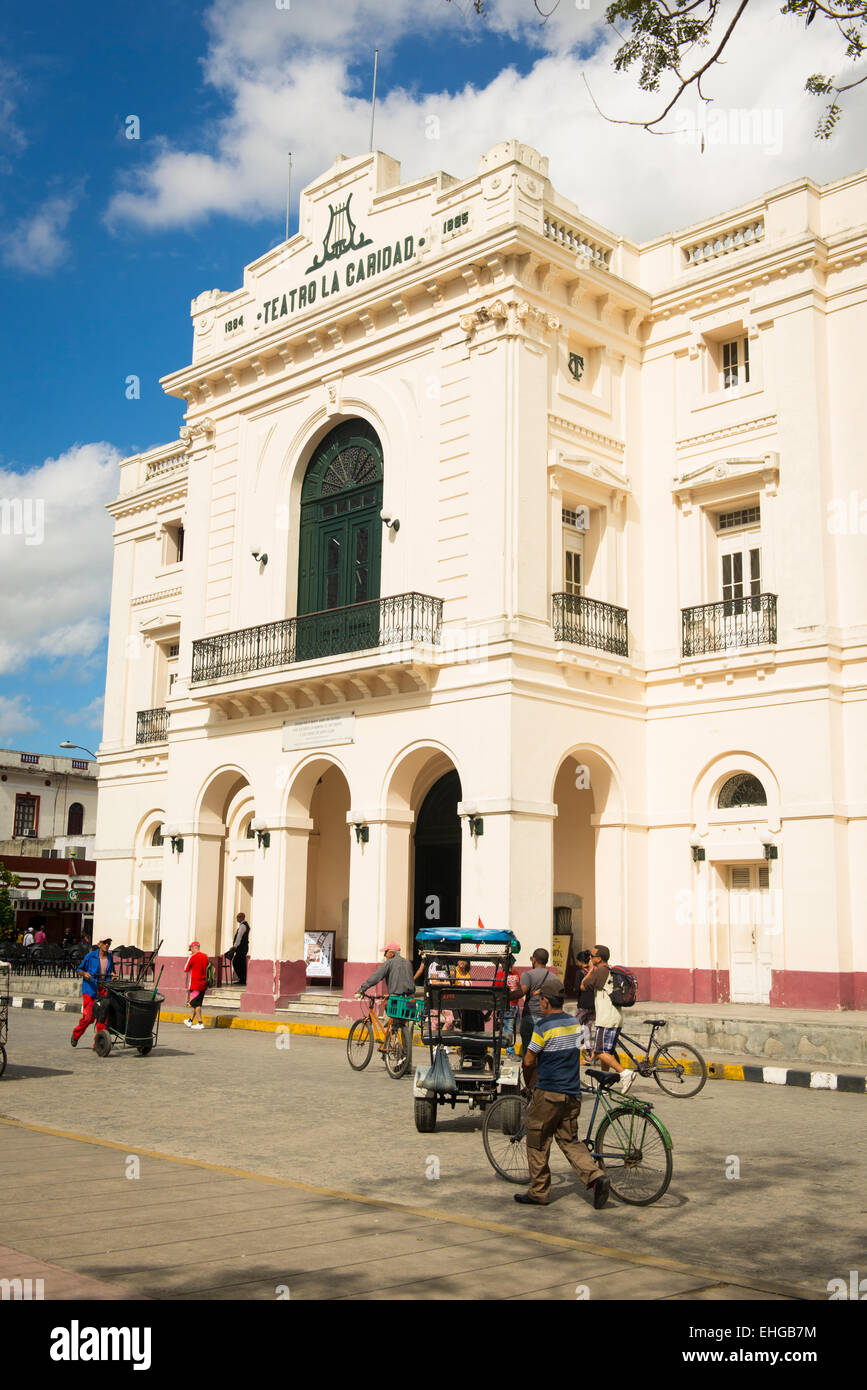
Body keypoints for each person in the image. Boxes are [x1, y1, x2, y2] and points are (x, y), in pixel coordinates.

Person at [514, 979, 610, 1209]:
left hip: (549, 1092)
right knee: (569, 1140)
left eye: (540, 1000)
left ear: (545, 1002)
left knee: (536, 1139)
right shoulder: (576, 1024)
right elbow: (583, 1050)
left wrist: (531, 1066)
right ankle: (596, 1176)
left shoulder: (543, 1026)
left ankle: (539, 1192)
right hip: (572, 1092)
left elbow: (528, 1059)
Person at [582, 944, 635, 1094]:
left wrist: (591, 969)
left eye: (592, 957)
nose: (590, 959)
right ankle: (604, 1084)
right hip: (614, 1017)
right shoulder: (610, 971)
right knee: (607, 1052)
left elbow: (582, 986)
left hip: (606, 1019)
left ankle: (625, 1073)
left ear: (599, 958)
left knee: (599, 1051)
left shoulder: (600, 971)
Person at [71, 937, 115, 1048]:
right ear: (99, 944)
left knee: (103, 1017)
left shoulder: (110, 957)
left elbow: (111, 971)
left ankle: (98, 1043)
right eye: (104, 943)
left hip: (103, 988)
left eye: (108, 944)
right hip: (90, 989)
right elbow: (79, 970)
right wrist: (85, 974)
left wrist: (113, 975)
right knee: (89, 1018)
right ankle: (76, 1034)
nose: (106, 945)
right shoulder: (90, 956)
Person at [512, 948, 557, 1056]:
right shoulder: (554, 978)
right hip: (546, 1019)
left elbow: (522, 992)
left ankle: (529, 1072)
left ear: (533, 960)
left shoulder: (528, 975)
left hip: (529, 1017)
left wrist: (505, 997)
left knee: (528, 1053)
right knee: (544, 1053)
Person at [184, 941, 209, 1030]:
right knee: (196, 1004)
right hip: (203, 983)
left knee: (196, 1004)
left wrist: (189, 957)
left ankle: (200, 1022)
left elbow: (185, 969)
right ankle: (190, 1020)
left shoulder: (193, 957)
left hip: (195, 985)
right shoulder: (205, 957)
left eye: (191, 948)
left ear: (194, 948)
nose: (190, 950)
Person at [228, 912, 250, 985]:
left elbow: (239, 937)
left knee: (236, 962)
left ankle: (243, 979)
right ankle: (242, 979)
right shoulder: (243, 925)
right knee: (241, 963)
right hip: (243, 948)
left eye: (238, 917)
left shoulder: (243, 926)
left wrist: (234, 946)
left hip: (241, 948)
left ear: (241, 917)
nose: (237, 919)